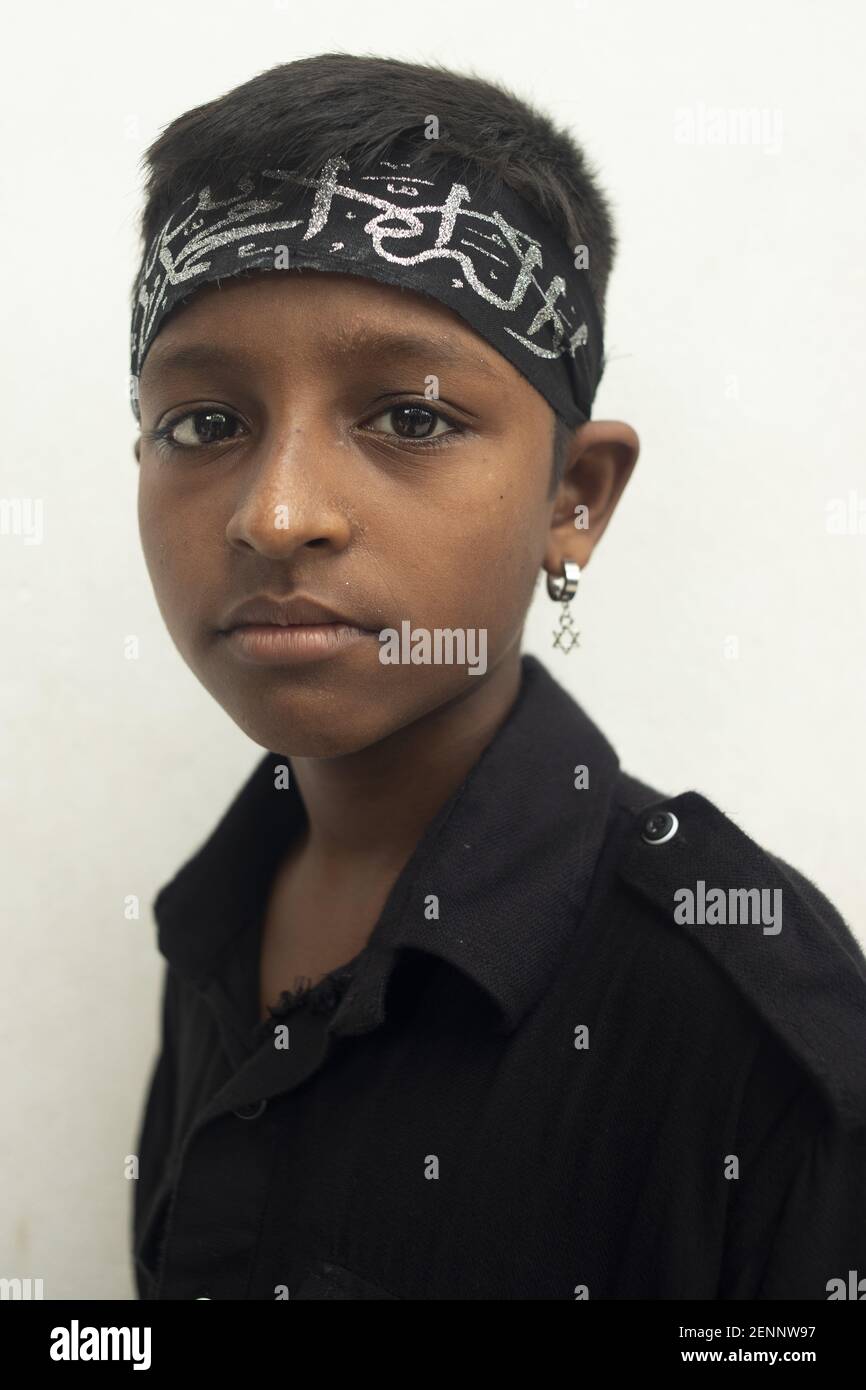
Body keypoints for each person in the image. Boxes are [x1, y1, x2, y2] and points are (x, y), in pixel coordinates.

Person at [129, 53, 866, 1301]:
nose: (278, 512)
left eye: (409, 417)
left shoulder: (743, 1016)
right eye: (206, 422)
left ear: (571, 500)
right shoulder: (219, 917)